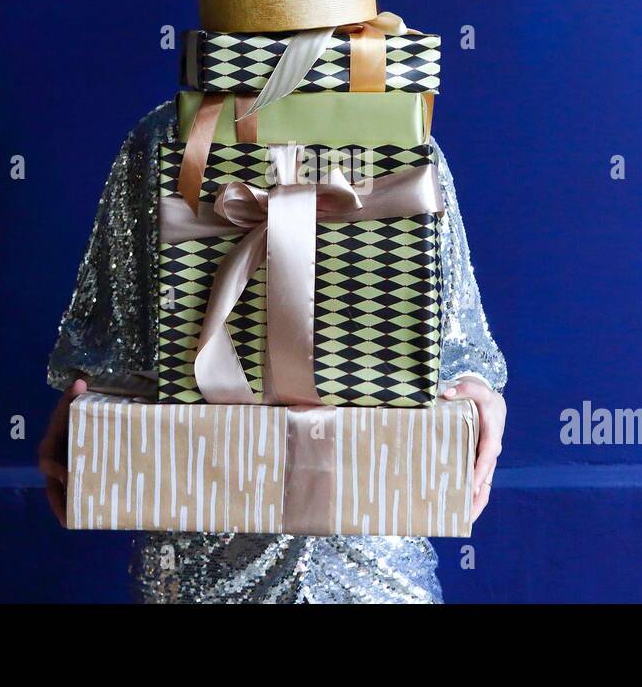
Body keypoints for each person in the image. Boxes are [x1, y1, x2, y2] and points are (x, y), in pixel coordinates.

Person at [37, 100, 507, 603]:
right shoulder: (168, 139)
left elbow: (457, 345)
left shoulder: (400, 136)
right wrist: (89, 433)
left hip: (370, 549)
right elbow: (107, 352)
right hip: (204, 544)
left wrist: (476, 396)